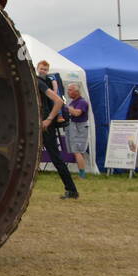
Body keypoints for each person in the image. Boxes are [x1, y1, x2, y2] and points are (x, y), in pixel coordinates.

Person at [36, 60, 78, 199]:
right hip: (43, 123)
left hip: (46, 125)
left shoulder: (40, 83)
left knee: (56, 158)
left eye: (45, 69)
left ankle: (71, 190)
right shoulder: (41, 82)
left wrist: (48, 119)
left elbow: (59, 101)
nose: (42, 71)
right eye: (41, 68)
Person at [62, 83, 90, 177]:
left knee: (78, 151)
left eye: (70, 90)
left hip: (79, 129)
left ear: (76, 92)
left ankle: (82, 174)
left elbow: (77, 113)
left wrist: (66, 107)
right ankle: (81, 173)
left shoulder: (82, 102)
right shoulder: (73, 102)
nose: (68, 92)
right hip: (73, 128)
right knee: (75, 151)